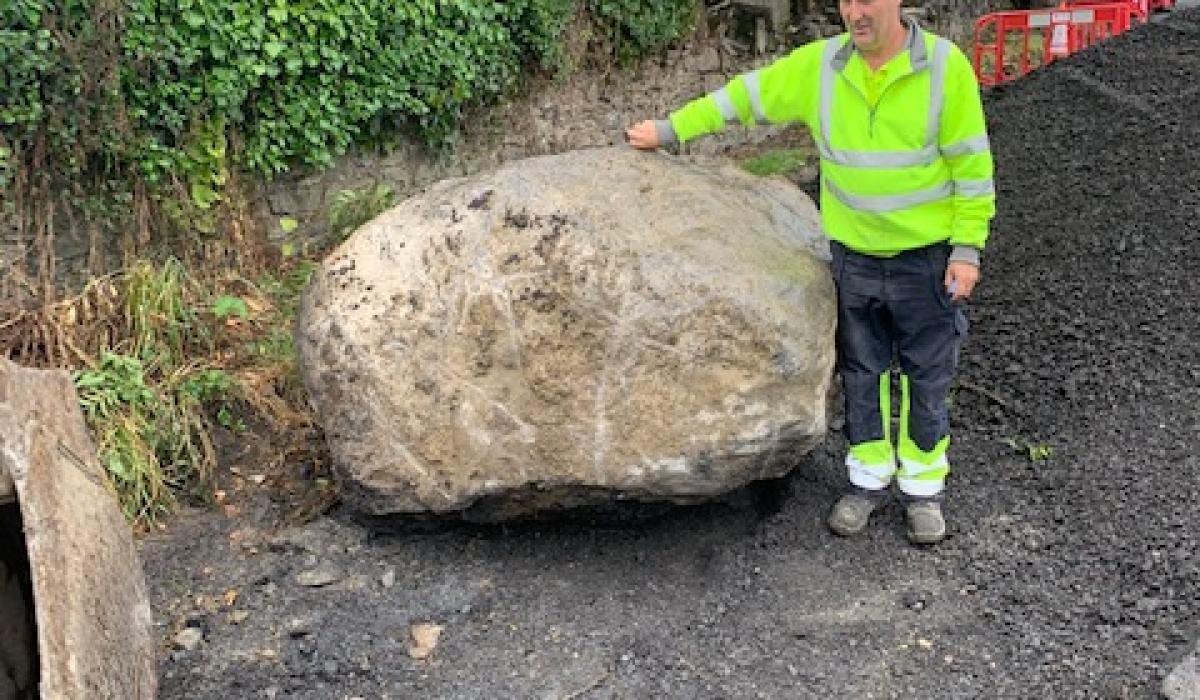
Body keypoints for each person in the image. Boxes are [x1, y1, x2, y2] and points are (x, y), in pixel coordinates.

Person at [626, 0, 995, 543]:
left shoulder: (944, 68)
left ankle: (921, 489)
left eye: (866, 0)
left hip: (928, 259)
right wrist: (671, 129)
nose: (855, 12)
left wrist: (967, 249)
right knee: (863, 372)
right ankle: (867, 480)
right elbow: (743, 98)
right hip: (854, 257)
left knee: (927, 377)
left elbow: (972, 164)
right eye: (846, 1)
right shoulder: (820, 67)